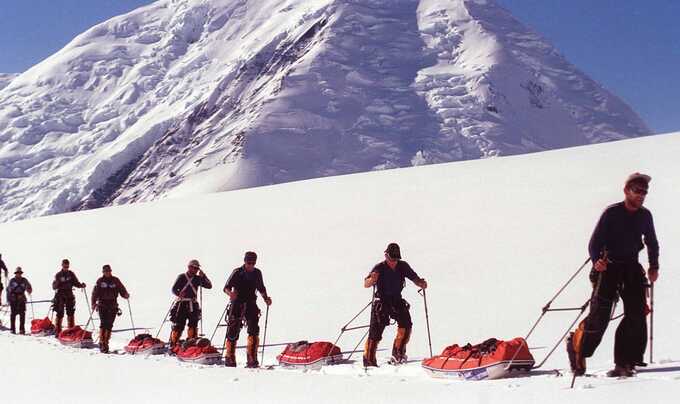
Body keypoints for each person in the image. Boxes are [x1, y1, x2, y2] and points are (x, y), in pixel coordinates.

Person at [567, 173, 659, 378]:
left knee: (636, 314)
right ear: (626, 190)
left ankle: (625, 362)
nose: (641, 195)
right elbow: (594, 243)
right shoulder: (612, 213)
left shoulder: (645, 215)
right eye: (637, 190)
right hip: (608, 266)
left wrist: (654, 266)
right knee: (600, 316)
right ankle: (576, 347)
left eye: (644, 192)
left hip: (631, 267)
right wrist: (596, 261)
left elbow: (652, 242)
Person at [363, 243, 427, 367]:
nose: (393, 262)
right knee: (376, 331)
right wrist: (372, 279)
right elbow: (366, 283)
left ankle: (398, 353)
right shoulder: (379, 268)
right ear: (386, 256)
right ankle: (369, 359)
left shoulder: (403, 266)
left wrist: (421, 283)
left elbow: (414, 278)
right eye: (391, 259)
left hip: (396, 299)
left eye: (396, 259)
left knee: (406, 324)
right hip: (381, 301)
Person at [223, 251, 272, 368]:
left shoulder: (257, 273)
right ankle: (230, 357)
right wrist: (230, 293)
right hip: (237, 303)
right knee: (233, 330)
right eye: (249, 262)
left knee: (254, 330)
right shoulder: (237, 272)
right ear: (245, 261)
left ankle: (252, 358)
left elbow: (261, 287)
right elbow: (226, 287)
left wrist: (266, 298)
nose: (251, 265)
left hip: (251, 303)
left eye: (253, 263)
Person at [169, 259, 212, 348]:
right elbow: (173, 289)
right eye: (194, 268)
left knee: (193, 324)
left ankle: (191, 343)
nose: (196, 270)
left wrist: (203, 276)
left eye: (197, 268)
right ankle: (173, 344)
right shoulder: (182, 277)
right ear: (189, 267)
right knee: (178, 325)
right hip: (181, 303)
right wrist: (178, 293)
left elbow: (209, 286)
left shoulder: (198, 278)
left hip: (193, 304)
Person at [91, 265, 130, 353]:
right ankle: (102, 342)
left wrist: (125, 295)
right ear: (103, 272)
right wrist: (93, 303)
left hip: (113, 305)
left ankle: (106, 342)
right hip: (102, 304)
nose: (107, 272)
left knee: (110, 324)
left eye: (108, 271)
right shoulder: (100, 281)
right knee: (103, 323)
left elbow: (122, 290)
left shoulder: (115, 280)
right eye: (105, 271)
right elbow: (94, 293)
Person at [52, 258, 86, 335]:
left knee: (70, 313)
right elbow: (54, 286)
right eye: (65, 266)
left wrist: (81, 285)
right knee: (60, 313)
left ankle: (71, 330)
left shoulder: (71, 274)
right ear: (62, 265)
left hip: (69, 295)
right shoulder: (58, 275)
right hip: (60, 295)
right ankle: (58, 331)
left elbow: (76, 283)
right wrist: (57, 283)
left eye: (67, 266)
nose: (66, 267)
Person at [7, 267, 32, 334]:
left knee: (22, 314)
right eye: (17, 273)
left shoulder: (24, 280)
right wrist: (8, 299)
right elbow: (8, 290)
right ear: (15, 273)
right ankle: (12, 329)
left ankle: (22, 329)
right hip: (13, 299)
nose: (19, 274)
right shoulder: (12, 281)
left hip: (22, 299)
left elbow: (29, 287)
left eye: (20, 273)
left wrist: (29, 290)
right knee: (13, 315)